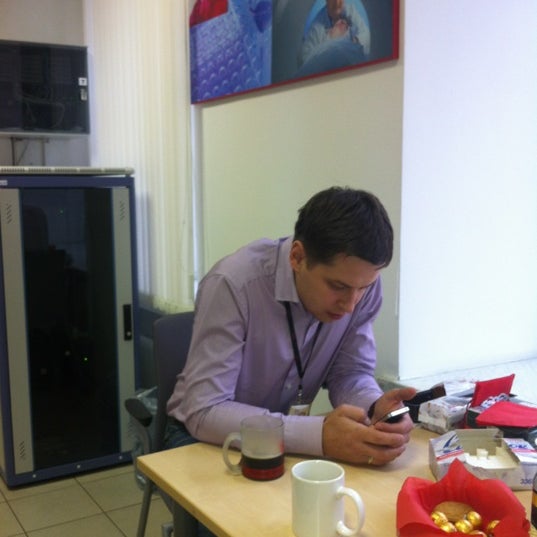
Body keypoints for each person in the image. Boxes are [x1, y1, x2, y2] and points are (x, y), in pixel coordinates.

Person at [166, 186, 416, 468]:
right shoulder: (233, 284)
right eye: (337, 286)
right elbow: (205, 411)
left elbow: (349, 372)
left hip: (284, 435)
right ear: (297, 257)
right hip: (203, 438)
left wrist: (373, 407)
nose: (350, 305)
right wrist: (319, 436)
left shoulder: (359, 285)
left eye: (364, 288)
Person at [300, 0, 371, 70]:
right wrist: (331, 39)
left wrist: (354, 41)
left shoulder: (350, 11)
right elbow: (305, 61)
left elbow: (366, 35)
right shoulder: (316, 28)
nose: (337, 3)